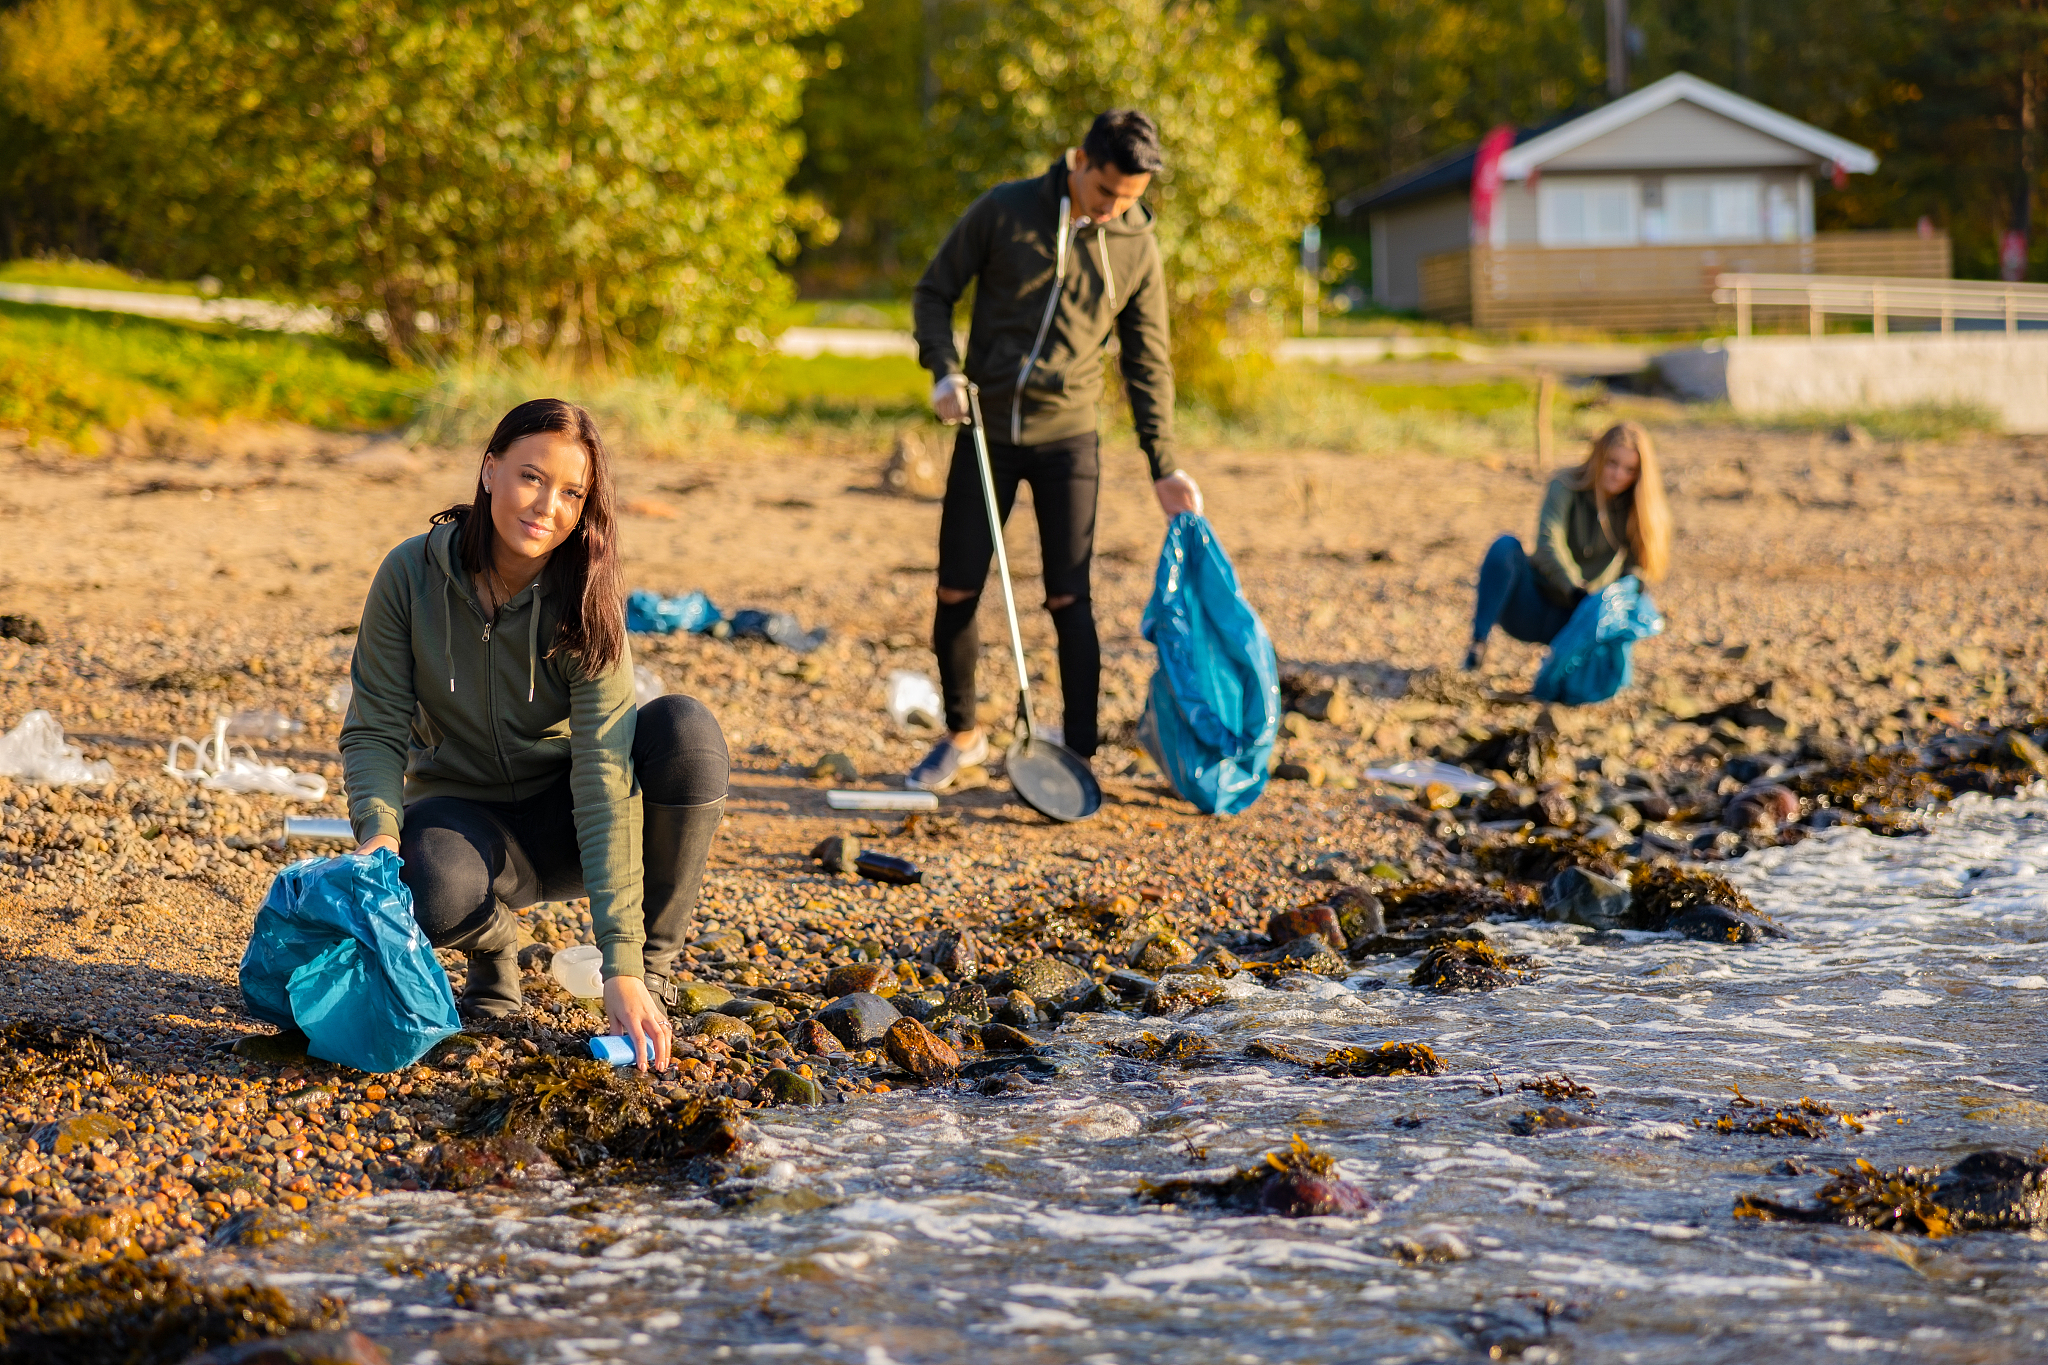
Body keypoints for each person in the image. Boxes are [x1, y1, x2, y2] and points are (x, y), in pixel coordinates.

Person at [339, 399, 728, 1073]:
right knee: (418, 880)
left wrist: (622, 965)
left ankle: (654, 978)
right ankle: (495, 951)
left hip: (569, 818)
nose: (547, 505)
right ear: (488, 470)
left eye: (572, 491)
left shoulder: (585, 598)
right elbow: (374, 727)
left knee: (686, 734)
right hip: (466, 827)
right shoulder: (408, 575)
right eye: (530, 477)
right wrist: (377, 832)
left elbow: (605, 779)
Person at [906, 108, 1203, 791]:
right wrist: (944, 370)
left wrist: (1164, 463)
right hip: (986, 431)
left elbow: (1147, 362)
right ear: (1079, 161)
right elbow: (933, 292)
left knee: (1072, 598)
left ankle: (1078, 753)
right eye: (1106, 194)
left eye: (1131, 200)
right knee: (956, 586)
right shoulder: (1007, 210)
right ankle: (962, 735)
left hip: (1069, 436)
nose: (1114, 211)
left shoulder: (1135, 243)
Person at [1464, 420, 1671, 671]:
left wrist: (1612, 600)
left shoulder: (1637, 509)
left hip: (1581, 618)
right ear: (1598, 458)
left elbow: (1635, 569)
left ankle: (1577, 665)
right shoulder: (1565, 485)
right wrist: (1574, 588)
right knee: (1504, 547)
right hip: (1536, 603)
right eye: (1612, 463)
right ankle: (1478, 644)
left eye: (1629, 469)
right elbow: (1548, 542)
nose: (1618, 475)